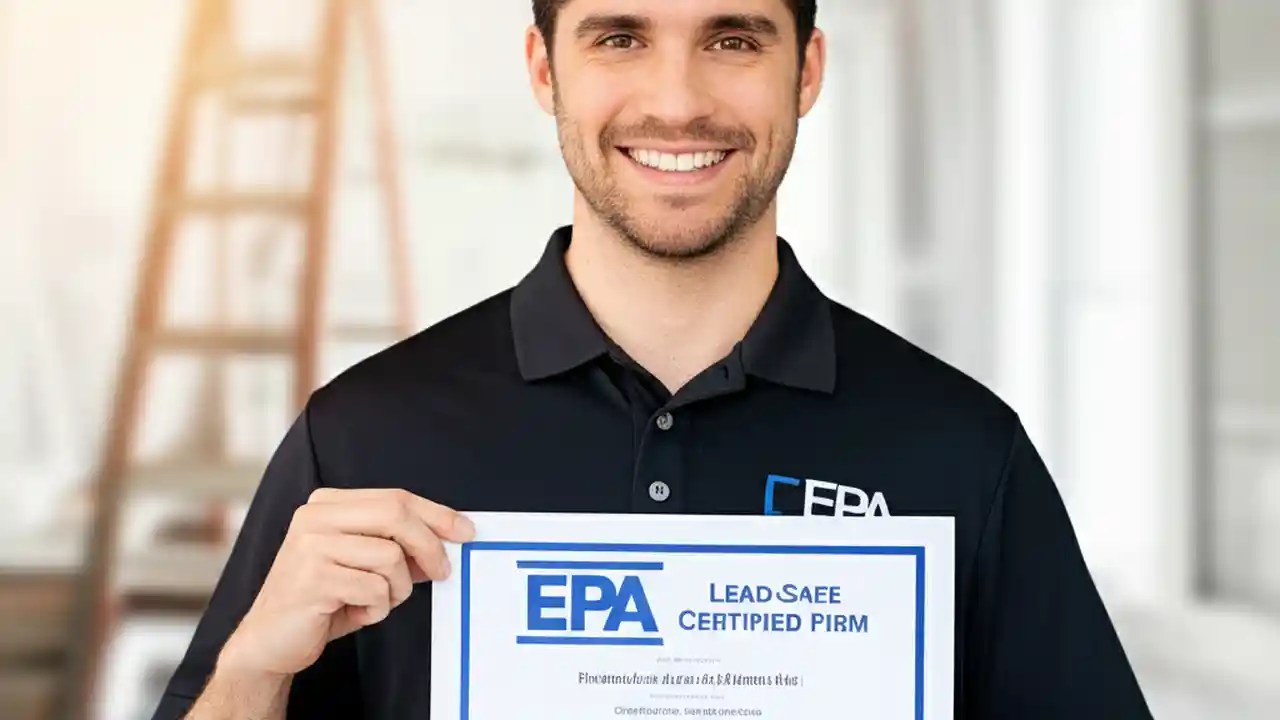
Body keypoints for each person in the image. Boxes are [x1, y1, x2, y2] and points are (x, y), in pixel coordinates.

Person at [154, 1, 1152, 718]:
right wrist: (253, 671)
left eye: (730, 39)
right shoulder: (364, 434)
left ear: (804, 70)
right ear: (544, 69)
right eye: (620, 37)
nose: (675, 103)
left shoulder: (960, 452)